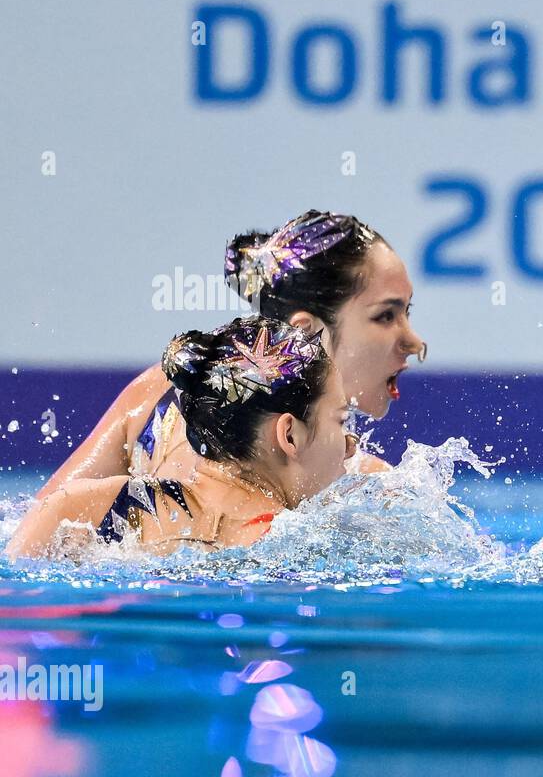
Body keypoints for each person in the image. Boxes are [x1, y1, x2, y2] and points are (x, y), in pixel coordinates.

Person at [36, 210, 424, 500]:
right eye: (385, 316)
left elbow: (46, 536)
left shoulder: (164, 391)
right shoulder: (362, 486)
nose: (415, 342)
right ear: (306, 332)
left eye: (406, 313)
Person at [7, 317, 354, 558]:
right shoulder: (307, 543)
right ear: (289, 435)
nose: (351, 445)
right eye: (340, 422)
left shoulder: (76, 510)